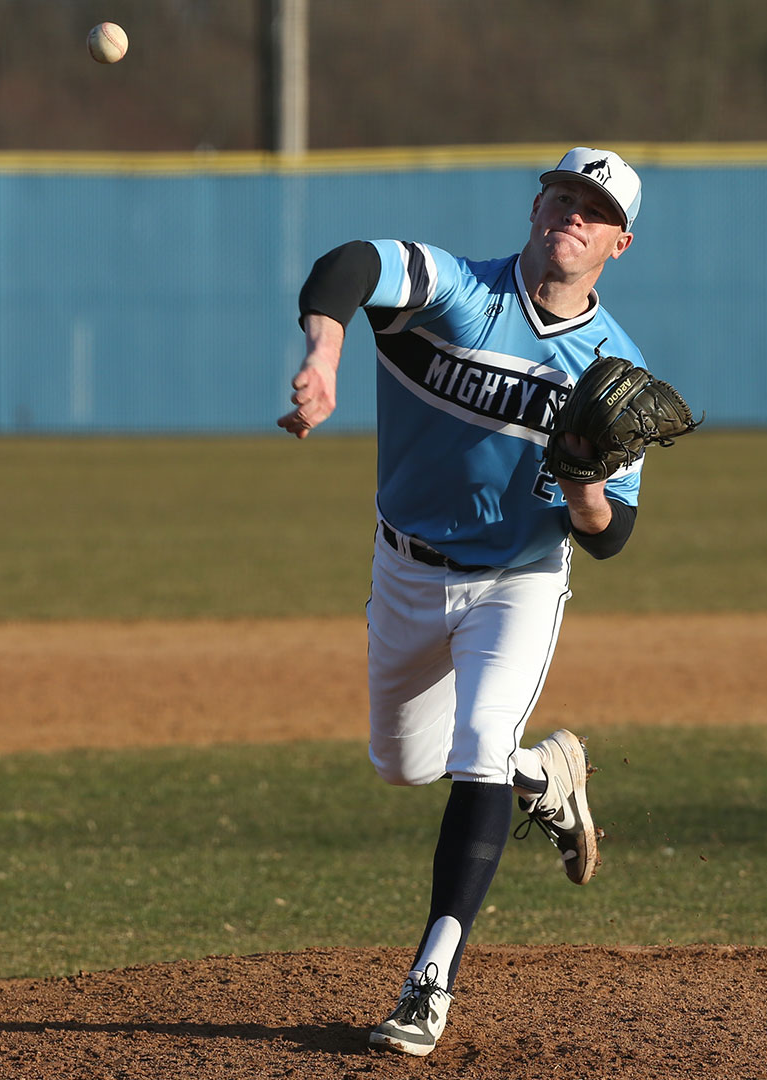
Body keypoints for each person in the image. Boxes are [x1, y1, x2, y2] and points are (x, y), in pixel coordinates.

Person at [277, 147, 652, 1057]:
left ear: (619, 242)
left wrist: (584, 484)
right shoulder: (455, 292)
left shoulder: (616, 370)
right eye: (563, 194)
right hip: (404, 569)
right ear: (535, 208)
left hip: (517, 581)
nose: (574, 212)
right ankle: (545, 776)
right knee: (405, 767)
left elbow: (610, 534)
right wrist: (324, 353)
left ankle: (429, 979)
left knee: (477, 747)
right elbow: (348, 265)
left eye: (593, 208)